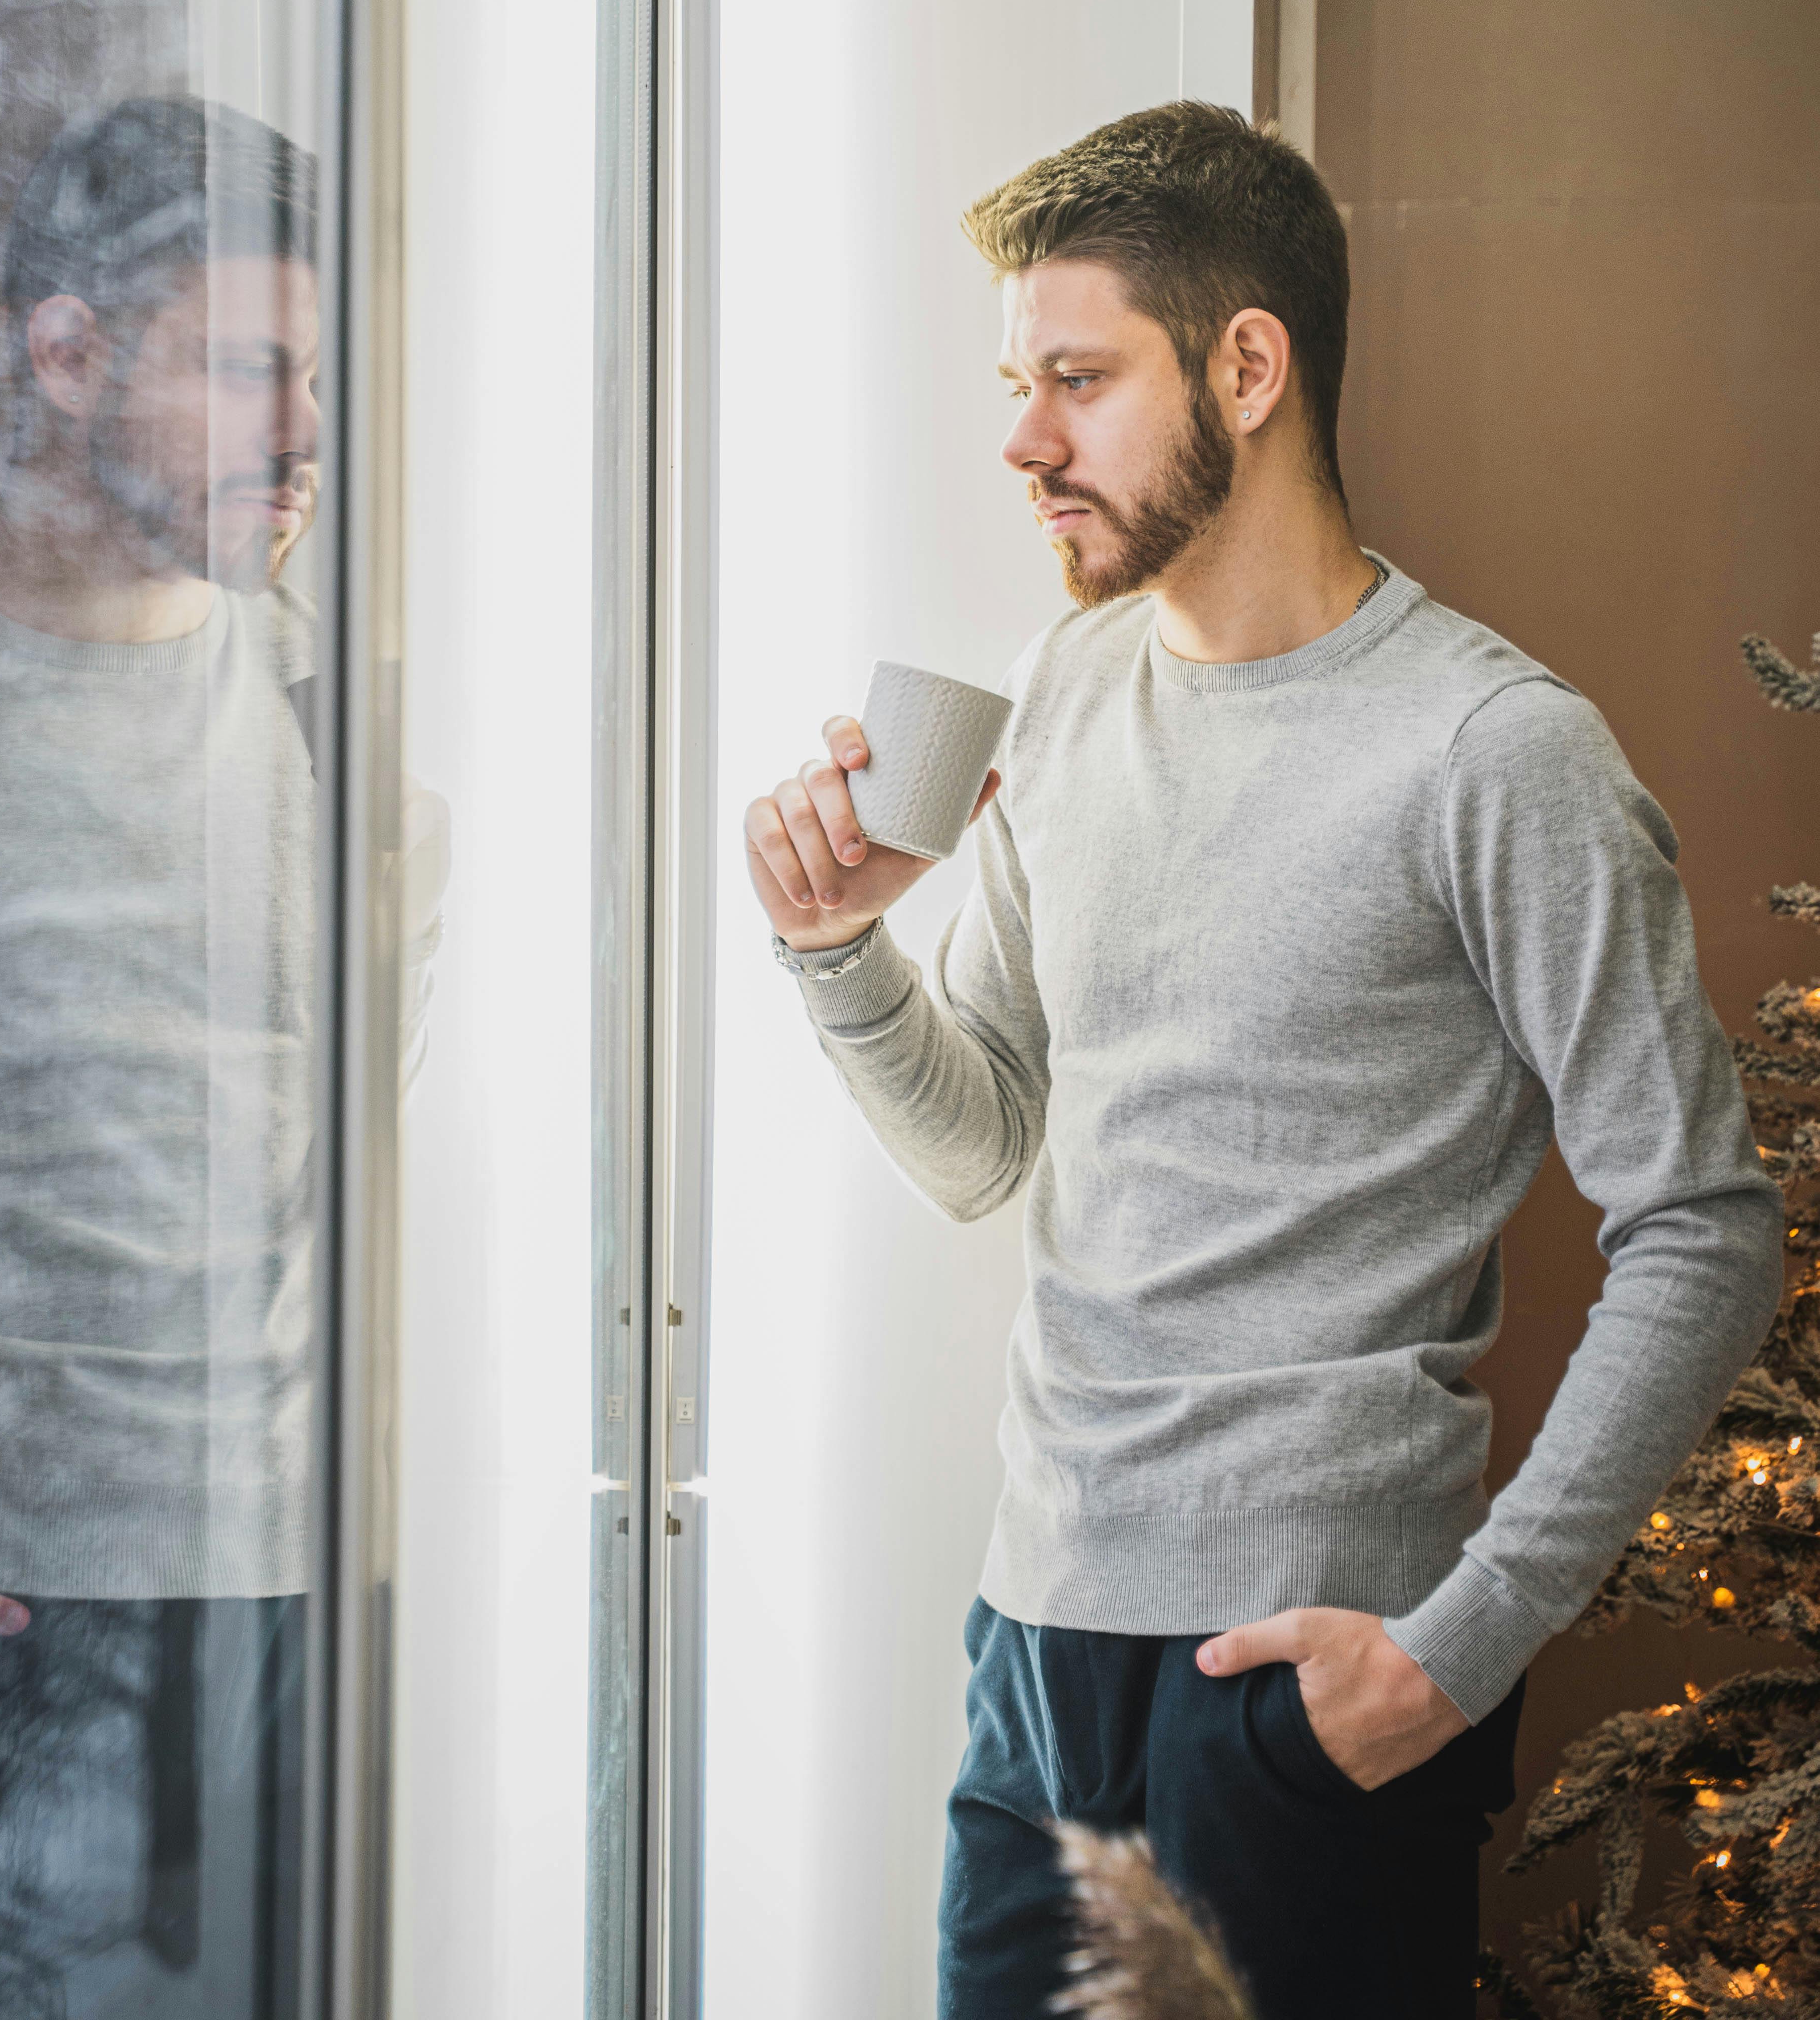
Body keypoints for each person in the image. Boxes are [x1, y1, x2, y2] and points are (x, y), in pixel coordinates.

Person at [743, 102, 1783, 2020]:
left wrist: (1455, 1649)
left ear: (1246, 364)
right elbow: (988, 1144)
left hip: (1297, 1681)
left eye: (1077, 378)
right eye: (1013, 381)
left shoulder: (1494, 752)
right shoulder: (1063, 687)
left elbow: (1704, 1232)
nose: (1022, 440)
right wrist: (833, 949)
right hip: (1033, 1644)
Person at [0, 98, 335, 2015]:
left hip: (270, 1606)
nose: (298, 435)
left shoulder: (317, 727)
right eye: (238, 369)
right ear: (62, 354)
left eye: (312, 374)